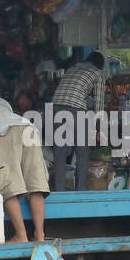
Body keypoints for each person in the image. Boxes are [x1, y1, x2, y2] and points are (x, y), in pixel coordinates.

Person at [0, 96, 47, 243]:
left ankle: (21, 236)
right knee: (36, 185)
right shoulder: (3, 102)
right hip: (28, 128)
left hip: (5, 130)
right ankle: (40, 235)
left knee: (9, 185)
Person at [50, 51, 104, 192]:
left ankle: (60, 191)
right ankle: (81, 191)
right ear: (100, 65)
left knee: (60, 152)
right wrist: (98, 130)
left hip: (56, 107)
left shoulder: (73, 68)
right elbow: (99, 106)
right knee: (82, 151)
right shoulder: (97, 73)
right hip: (75, 109)